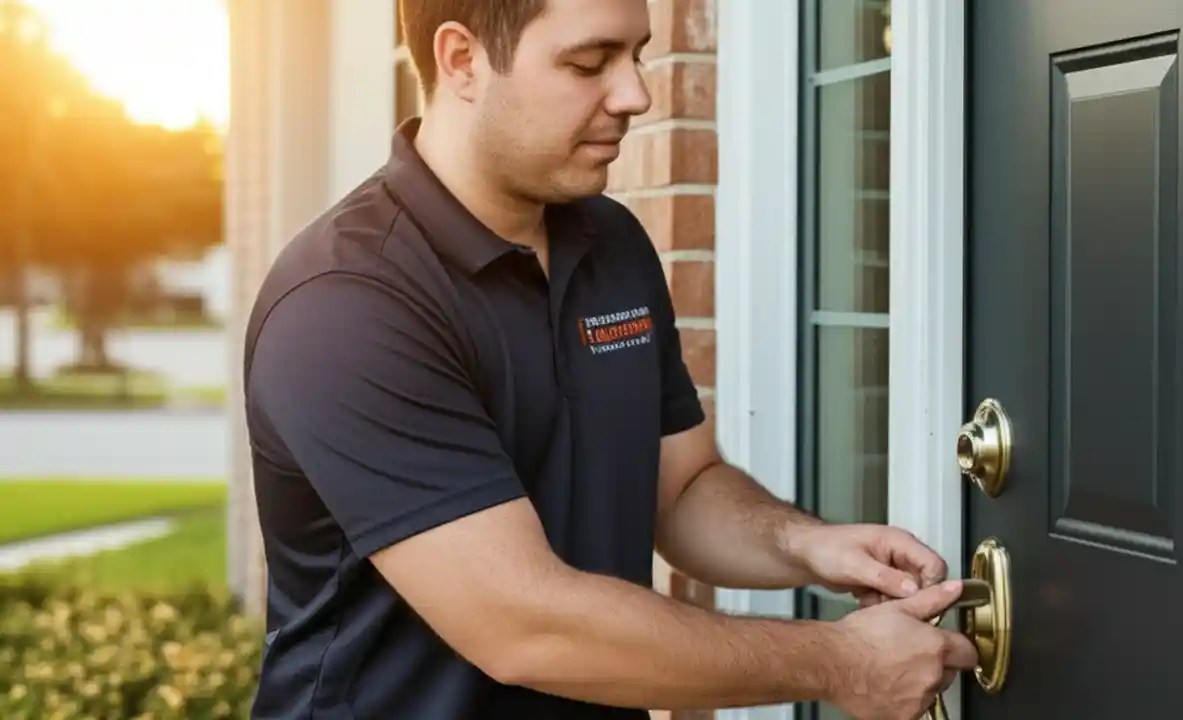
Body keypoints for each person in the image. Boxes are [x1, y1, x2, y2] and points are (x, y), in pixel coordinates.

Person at [242, 0, 979, 718]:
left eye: (637, 54)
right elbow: (524, 625)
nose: (635, 94)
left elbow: (682, 490)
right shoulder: (347, 301)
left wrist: (809, 546)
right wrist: (841, 662)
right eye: (589, 62)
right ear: (463, 60)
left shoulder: (610, 242)